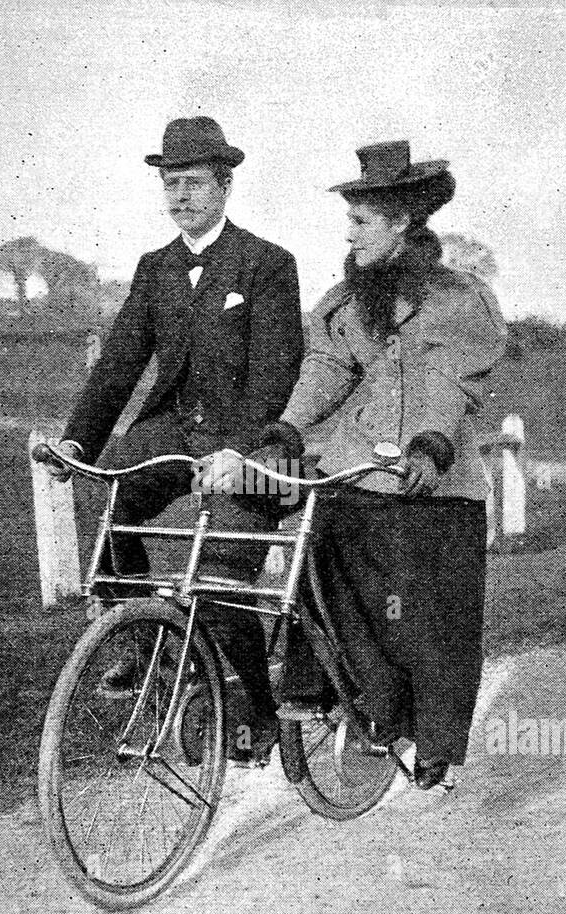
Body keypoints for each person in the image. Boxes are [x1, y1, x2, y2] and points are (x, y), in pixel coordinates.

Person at [206, 140, 507, 791]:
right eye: (348, 219)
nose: (349, 232)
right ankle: (348, 702)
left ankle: (434, 741)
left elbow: (448, 377)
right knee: (325, 561)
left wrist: (431, 444)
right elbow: (328, 367)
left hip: (437, 480)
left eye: (361, 220)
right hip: (359, 466)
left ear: (401, 221)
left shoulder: (458, 300)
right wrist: (288, 426)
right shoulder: (347, 301)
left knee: (432, 618)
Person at [36, 116, 305, 763]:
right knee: (118, 512)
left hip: (253, 446)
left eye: (192, 183)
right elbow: (120, 363)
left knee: (220, 579)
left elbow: (276, 374)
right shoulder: (156, 268)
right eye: (170, 185)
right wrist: (79, 443)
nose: (180, 196)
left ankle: (256, 708)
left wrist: (241, 449)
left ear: (226, 185)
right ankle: (145, 646)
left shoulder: (267, 265)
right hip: (175, 433)